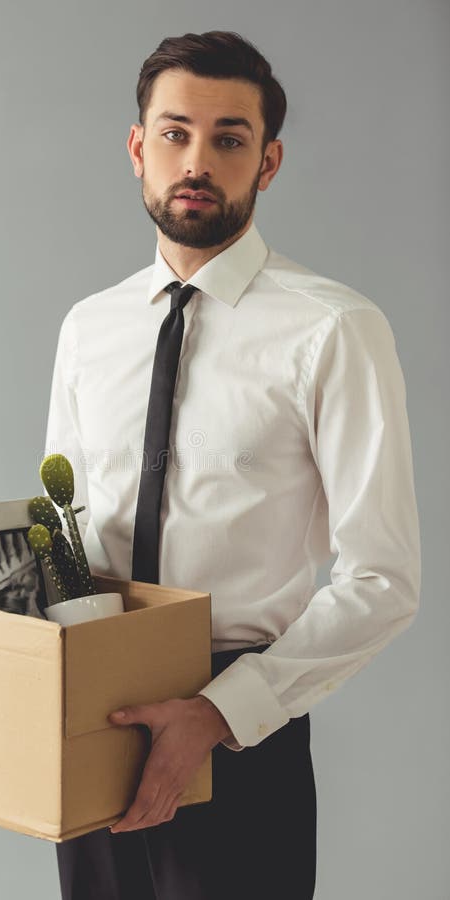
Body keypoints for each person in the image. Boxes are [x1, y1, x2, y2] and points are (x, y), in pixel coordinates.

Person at [45, 30, 421, 900]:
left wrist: (218, 713)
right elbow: (59, 528)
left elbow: (383, 578)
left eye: (229, 138)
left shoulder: (333, 329)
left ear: (269, 160)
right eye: (174, 133)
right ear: (138, 148)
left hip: (242, 725)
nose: (197, 161)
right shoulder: (88, 329)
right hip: (92, 713)